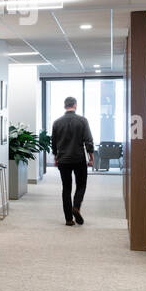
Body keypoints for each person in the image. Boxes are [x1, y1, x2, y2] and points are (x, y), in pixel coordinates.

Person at [50, 96, 94, 226]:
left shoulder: (57, 122)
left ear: (65, 106)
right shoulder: (82, 121)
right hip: (79, 158)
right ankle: (76, 207)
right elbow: (88, 141)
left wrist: (56, 157)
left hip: (63, 159)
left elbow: (54, 142)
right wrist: (91, 158)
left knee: (66, 188)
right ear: (75, 105)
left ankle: (68, 219)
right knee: (81, 185)